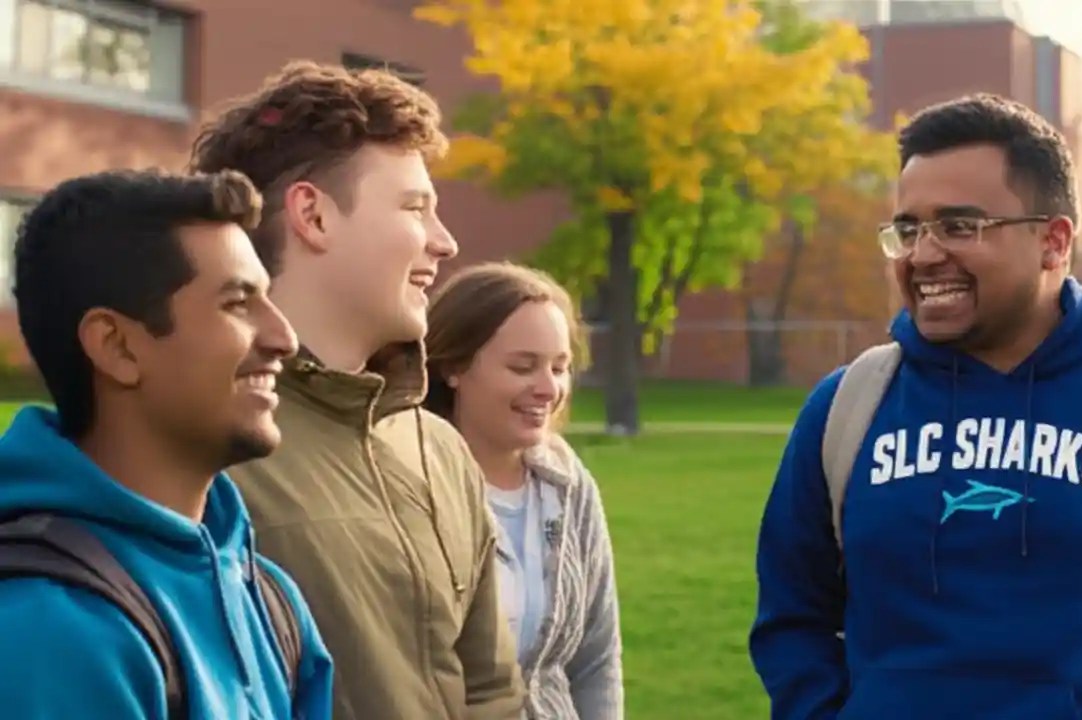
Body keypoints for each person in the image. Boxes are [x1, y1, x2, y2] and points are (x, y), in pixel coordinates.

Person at [749, 93, 1082, 719]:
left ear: (1054, 241)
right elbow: (790, 618)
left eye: (960, 226)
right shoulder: (846, 409)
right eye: (909, 229)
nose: (923, 254)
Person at [190, 61, 525, 719]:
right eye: (414, 207)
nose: (445, 241)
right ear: (312, 214)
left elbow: (491, 693)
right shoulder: (199, 453)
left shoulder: (440, 448)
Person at [0, 168, 333, 718]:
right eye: (236, 302)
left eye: (267, 298)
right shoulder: (47, 627)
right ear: (118, 347)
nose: (284, 339)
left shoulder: (273, 601)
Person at [424, 262, 624, 719]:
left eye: (560, 367)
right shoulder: (409, 486)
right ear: (454, 366)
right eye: (523, 366)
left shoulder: (569, 488)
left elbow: (596, 659)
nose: (548, 389)